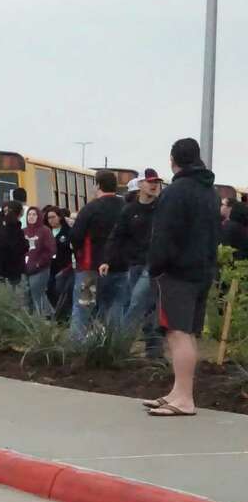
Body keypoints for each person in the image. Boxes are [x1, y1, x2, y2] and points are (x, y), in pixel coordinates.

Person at [143, 138, 220, 416]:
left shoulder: (176, 192)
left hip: (176, 272)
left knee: (177, 332)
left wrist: (156, 266)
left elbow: (164, 234)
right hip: (202, 270)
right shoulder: (209, 191)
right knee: (187, 332)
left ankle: (184, 398)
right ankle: (178, 391)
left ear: (173, 160)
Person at [105, 168, 164, 356]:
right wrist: (107, 260)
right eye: (150, 181)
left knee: (138, 302)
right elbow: (117, 236)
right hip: (134, 264)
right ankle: (154, 351)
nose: (154, 185)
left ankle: (119, 348)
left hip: (154, 264)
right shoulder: (129, 210)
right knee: (146, 307)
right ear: (140, 185)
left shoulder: (163, 209)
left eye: (157, 182)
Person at [69, 170, 125, 339]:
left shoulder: (90, 208)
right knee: (115, 308)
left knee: (83, 308)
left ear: (98, 185)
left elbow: (76, 236)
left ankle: (77, 345)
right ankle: (113, 346)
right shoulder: (125, 207)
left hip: (90, 268)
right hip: (120, 267)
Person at [23, 206, 56, 315]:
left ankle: (46, 317)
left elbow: (50, 250)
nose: (31, 217)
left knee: (38, 294)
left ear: (39, 216)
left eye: (34, 214)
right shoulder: (24, 231)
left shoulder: (45, 231)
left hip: (40, 269)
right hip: (25, 269)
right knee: (26, 295)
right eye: (29, 214)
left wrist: (38, 264)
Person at [44, 206, 73, 318]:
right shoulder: (47, 231)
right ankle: (57, 312)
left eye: (53, 217)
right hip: (49, 266)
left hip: (64, 266)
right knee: (50, 289)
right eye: (49, 218)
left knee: (62, 291)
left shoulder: (67, 231)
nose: (51, 220)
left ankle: (64, 315)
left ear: (60, 217)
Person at [2, 192, 29, 287]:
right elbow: (21, 248)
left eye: (6, 211)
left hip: (6, 270)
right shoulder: (16, 229)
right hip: (16, 270)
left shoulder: (5, 228)